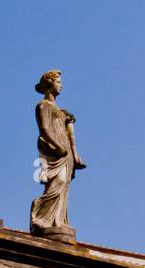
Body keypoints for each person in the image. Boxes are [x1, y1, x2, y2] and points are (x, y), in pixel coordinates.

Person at [29, 69, 86, 240]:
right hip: (55, 150)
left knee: (64, 185)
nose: (61, 85)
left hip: (65, 150)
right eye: (58, 81)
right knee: (57, 182)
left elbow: (70, 134)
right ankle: (41, 215)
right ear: (49, 83)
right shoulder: (43, 105)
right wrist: (56, 146)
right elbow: (44, 129)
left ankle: (58, 220)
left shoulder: (61, 110)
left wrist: (74, 152)